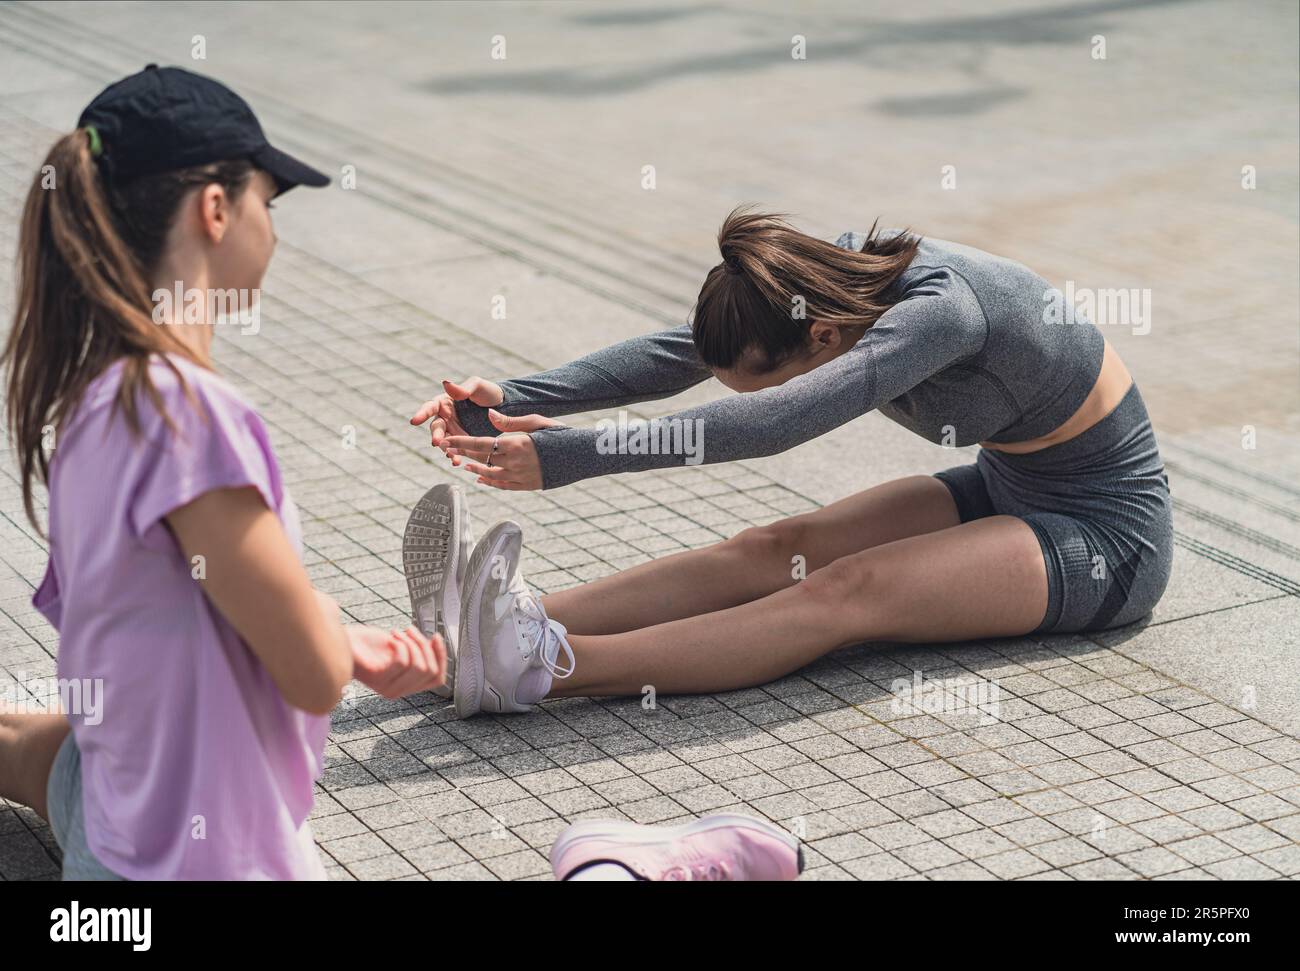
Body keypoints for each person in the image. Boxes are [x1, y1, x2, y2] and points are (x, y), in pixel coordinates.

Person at [408, 210, 1174, 719]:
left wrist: (564, 455)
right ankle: (488, 634)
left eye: (775, 374)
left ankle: (534, 668)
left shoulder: (938, 316)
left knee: (847, 591)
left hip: (1105, 539)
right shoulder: (818, 281)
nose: (772, 387)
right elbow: (685, 354)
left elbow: (772, 424)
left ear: (821, 340)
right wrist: (516, 395)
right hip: (1009, 485)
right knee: (771, 550)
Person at [0, 65, 447, 880]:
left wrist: (332, 638)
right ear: (215, 209)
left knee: (46, 752)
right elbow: (311, 677)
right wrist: (329, 621)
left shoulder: (90, 405)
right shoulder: (190, 416)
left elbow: (150, 623)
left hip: (112, 824)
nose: (271, 229)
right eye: (265, 203)